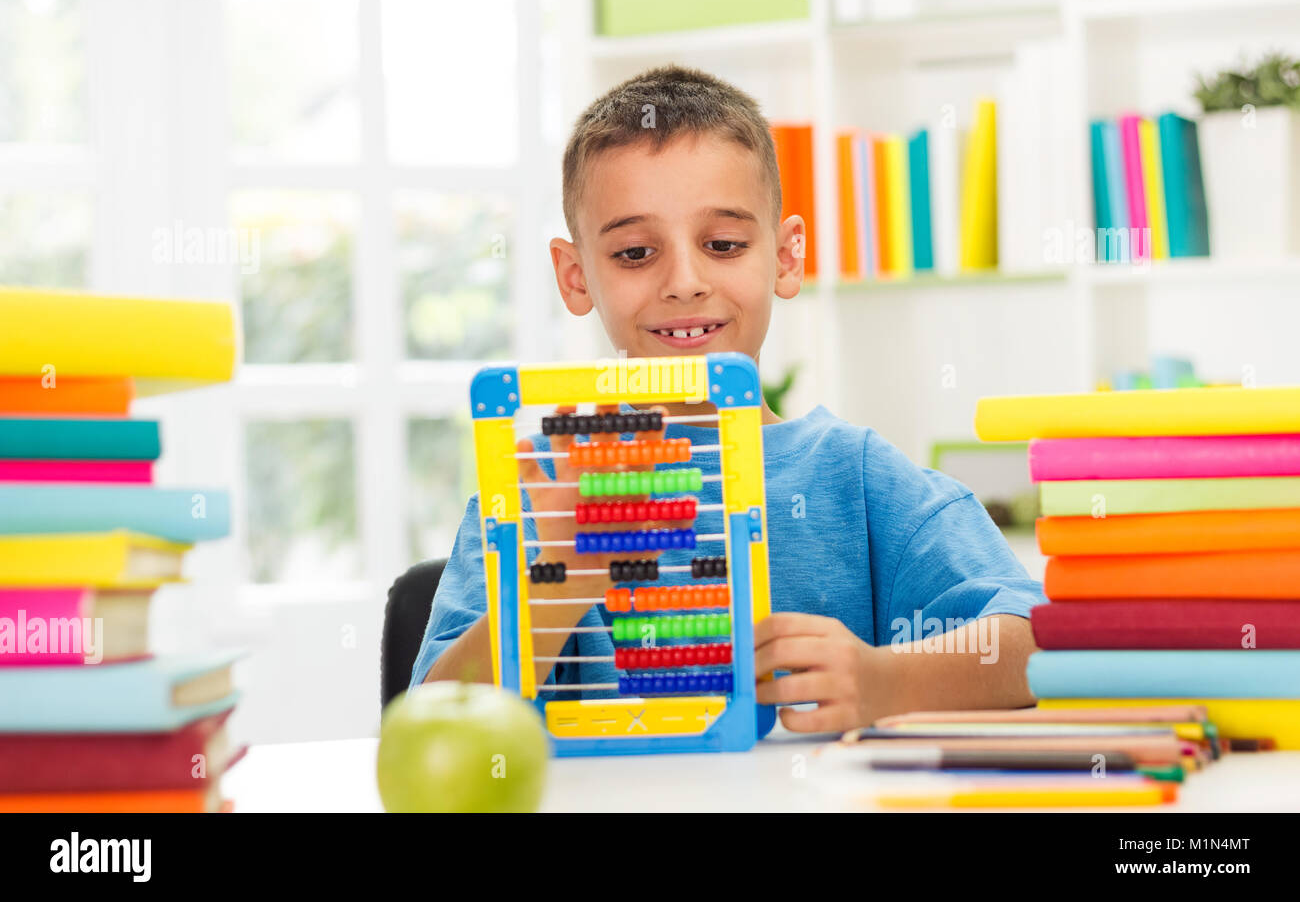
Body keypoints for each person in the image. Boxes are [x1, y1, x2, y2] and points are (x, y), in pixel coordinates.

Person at [411, 65, 1044, 733]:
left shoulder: (855, 479)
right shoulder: (529, 497)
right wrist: (552, 584)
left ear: (785, 256)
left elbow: (1034, 640)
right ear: (575, 277)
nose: (684, 281)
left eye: (723, 244)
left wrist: (886, 682)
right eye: (633, 253)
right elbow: (428, 720)